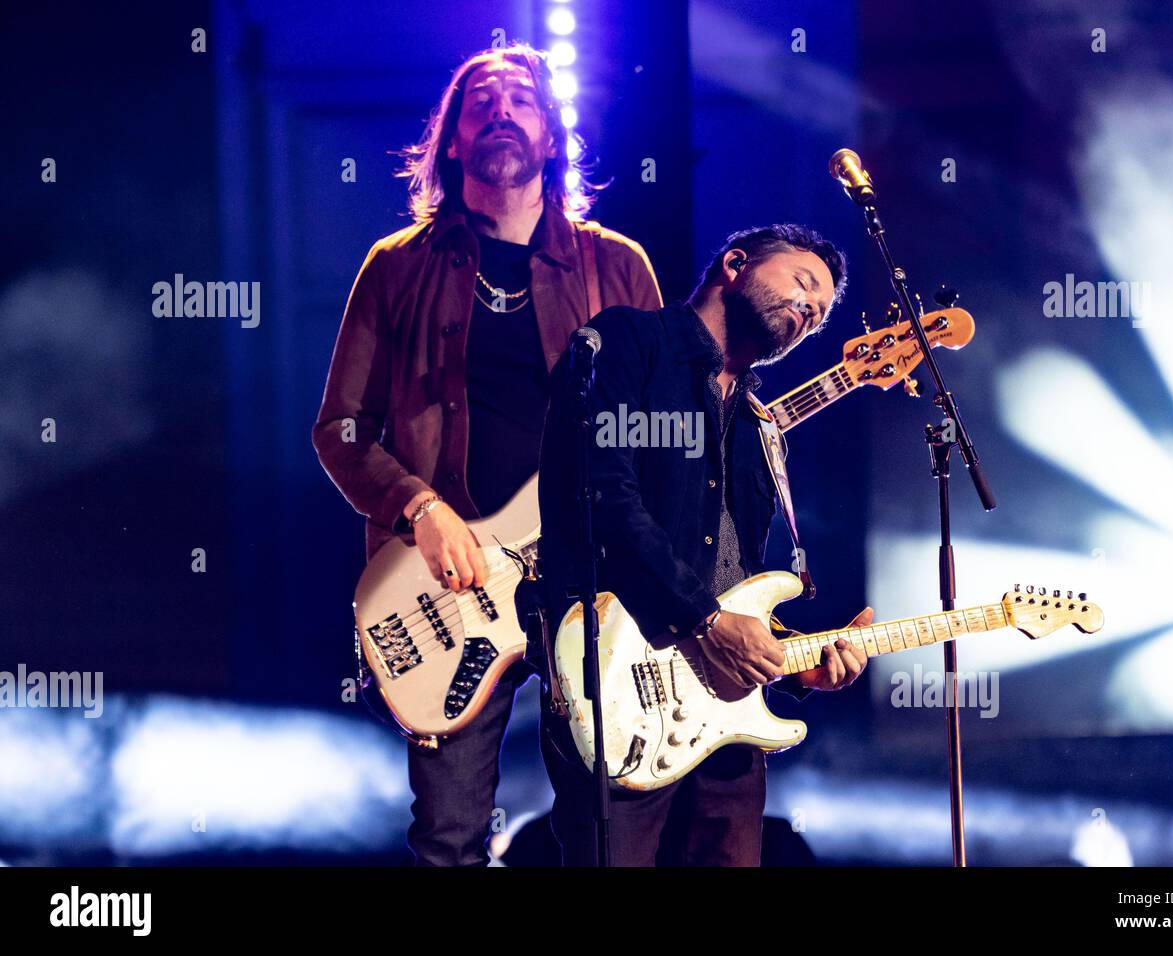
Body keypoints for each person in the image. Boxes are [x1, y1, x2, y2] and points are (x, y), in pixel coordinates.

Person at [312, 43, 661, 866]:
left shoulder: (616, 266)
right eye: (482, 104)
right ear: (455, 142)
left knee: (609, 828)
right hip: (449, 586)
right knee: (448, 839)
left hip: (594, 580)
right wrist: (419, 507)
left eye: (522, 102)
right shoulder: (397, 269)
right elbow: (341, 429)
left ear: (549, 138)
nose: (502, 112)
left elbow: (669, 427)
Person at [538, 224, 873, 866]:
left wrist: (796, 659)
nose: (810, 309)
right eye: (803, 283)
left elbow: (742, 571)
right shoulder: (630, 344)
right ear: (734, 262)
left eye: (822, 310)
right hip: (618, 684)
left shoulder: (758, 424)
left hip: (725, 713)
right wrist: (705, 619)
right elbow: (603, 495)